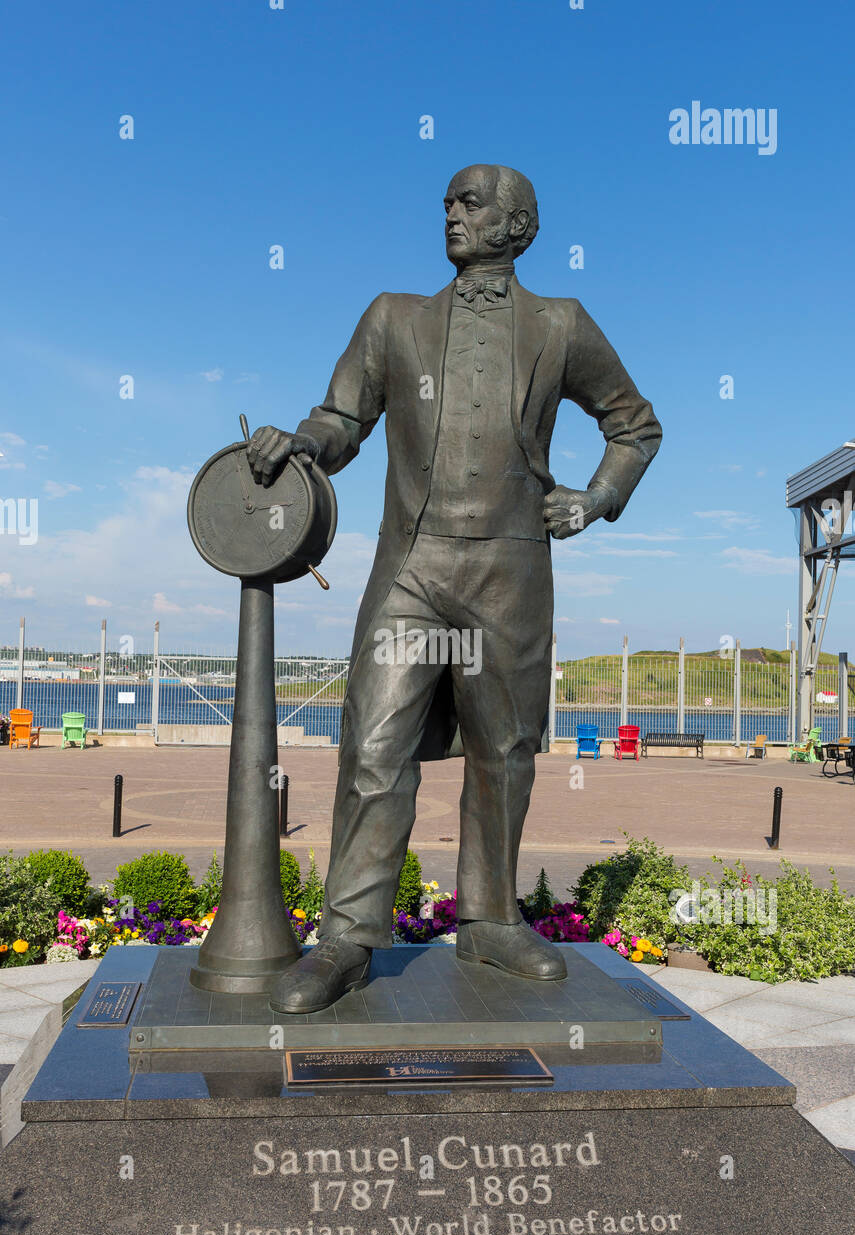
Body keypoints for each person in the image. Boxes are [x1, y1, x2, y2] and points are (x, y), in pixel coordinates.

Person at [247, 165, 662, 1013]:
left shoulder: (562, 324)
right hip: (411, 569)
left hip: (511, 571)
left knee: (503, 753)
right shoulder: (394, 317)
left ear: (518, 227)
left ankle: (490, 922)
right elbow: (343, 420)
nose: (450, 215)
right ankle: (347, 940)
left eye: (469, 204)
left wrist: (595, 497)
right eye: (446, 202)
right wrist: (302, 445)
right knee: (373, 747)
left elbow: (634, 424)